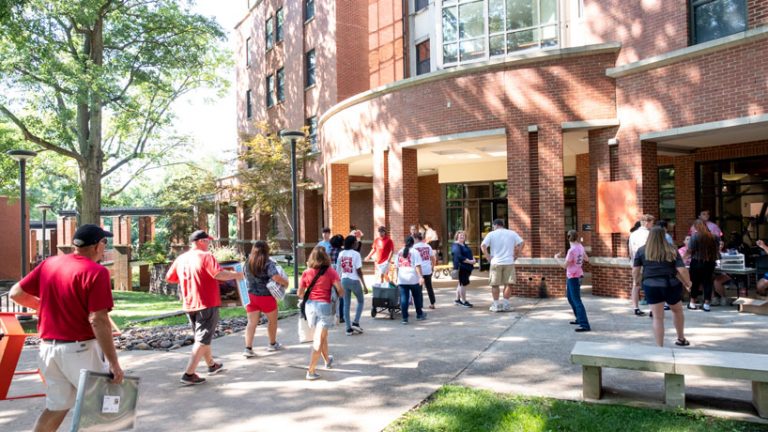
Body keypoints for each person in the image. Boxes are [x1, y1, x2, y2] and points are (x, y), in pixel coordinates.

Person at [9, 224, 124, 432]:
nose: (105, 247)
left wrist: (42, 306)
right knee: (103, 408)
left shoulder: (49, 264)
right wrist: (114, 363)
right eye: (105, 243)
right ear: (97, 246)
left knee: (57, 406)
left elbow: (16, 293)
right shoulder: (96, 272)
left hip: (48, 350)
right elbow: (98, 319)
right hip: (80, 351)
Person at [166, 230, 244, 385]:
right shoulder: (206, 256)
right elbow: (218, 274)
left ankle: (212, 365)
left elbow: (170, 278)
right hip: (207, 303)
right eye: (208, 241)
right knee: (202, 339)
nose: (209, 244)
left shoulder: (181, 258)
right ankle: (189, 374)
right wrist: (237, 275)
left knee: (202, 337)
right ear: (201, 241)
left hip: (190, 303)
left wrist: (191, 280)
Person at [632, 227, 693, 347]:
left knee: (658, 317)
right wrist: (688, 282)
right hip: (671, 284)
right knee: (677, 311)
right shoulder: (672, 249)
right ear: (664, 236)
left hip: (651, 285)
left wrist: (636, 281)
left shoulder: (642, 250)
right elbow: (681, 269)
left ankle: (659, 346)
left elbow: (635, 270)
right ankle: (681, 338)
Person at [298, 247, 343, 380]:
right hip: (325, 307)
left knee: (323, 335)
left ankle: (327, 360)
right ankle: (311, 371)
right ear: (326, 258)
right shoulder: (331, 272)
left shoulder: (306, 273)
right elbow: (340, 290)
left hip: (310, 308)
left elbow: (300, 293)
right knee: (319, 339)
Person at [242, 240, 288, 358]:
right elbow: (275, 277)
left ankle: (248, 348)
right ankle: (272, 344)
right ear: (266, 250)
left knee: (251, 323)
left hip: (251, 296)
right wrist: (285, 283)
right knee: (272, 321)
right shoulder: (268, 263)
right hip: (266, 297)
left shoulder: (248, 261)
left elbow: (244, 275)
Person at [480, 218, 524, 312]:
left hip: (496, 262)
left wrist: (488, 256)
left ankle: (496, 305)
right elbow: (521, 243)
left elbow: (483, 246)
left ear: (495, 225)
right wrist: (517, 254)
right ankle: (506, 305)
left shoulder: (491, 234)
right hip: (509, 262)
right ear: (502, 225)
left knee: (495, 285)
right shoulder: (512, 233)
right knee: (508, 284)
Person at [555, 230, 590, 332]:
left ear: (568, 237)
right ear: (577, 237)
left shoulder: (571, 250)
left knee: (577, 301)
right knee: (570, 298)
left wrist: (556, 258)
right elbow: (587, 259)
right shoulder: (580, 247)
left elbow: (564, 266)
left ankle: (585, 325)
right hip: (576, 276)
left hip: (573, 277)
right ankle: (579, 319)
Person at [686, 220, 719, 312]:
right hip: (710, 262)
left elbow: (690, 250)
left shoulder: (694, 236)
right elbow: (717, 249)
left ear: (696, 227)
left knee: (695, 283)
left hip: (697, 261)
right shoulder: (714, 237)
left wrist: (684, 258)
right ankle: (706, 304)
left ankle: (692, 303)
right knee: (708, 283)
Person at [337, 235, 368, 335]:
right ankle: (356, 322)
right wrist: (364, 285)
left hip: (344, 280)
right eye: (355, 242)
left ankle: (348, 328)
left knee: (346, 304)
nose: (357, 243)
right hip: (354, 280)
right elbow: (359, 271)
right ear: (352, 243)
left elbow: (338, 269)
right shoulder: (356, 254)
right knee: (361, 301)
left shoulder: (341, 253)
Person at [628, 214, 655, 316]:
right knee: (650, 285)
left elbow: (630, 250)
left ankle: (636, 308)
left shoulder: (633, 234)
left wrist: (633, 261)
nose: (652, 225)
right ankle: (652, 309)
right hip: (648, 263)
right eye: (652, 223)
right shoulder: (649, 234)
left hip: (635, 262)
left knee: (636, 285)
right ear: (647, 223)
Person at [395, 236, 425, 324]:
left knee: (404, 298)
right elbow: (417, 266)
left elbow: (397, 266)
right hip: (413, 278)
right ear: (413, 243)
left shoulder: (399, 252)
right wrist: (421, 277)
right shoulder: (415, 252)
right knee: (417, 297)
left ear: (404, 242)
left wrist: (397, 277)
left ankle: (404, 318)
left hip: (402, 278)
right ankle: (419, 314)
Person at [413, 232, 437, 309]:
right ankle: (432, 303)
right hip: (427, 270)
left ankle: (420, 305)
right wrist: (432, 267)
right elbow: (433, 258)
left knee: (419, 289)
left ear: (416, 239)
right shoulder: (428, 246)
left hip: (419, 270)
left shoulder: (414, 247)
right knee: (429, 287)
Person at [452, 230, 476, 307]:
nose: (462, 237)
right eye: (460, 235)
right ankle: (464, 301)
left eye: (463, 235)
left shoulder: (464, 245)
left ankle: (457, 300)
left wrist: (473, 259)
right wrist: (470, 261)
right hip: (462, 268)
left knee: (460, 284)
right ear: (457, 237)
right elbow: (459, 257)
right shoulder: (456, 245)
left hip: (467, 267)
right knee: (463, 284)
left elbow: (469, 253)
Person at [328, 234, 345, 321]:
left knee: (331, 295)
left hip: (330, 275)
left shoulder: (329, 251)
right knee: (341, 295)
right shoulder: (342, 252)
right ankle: (341, 316)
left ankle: (332, 314)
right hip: (339, 275)